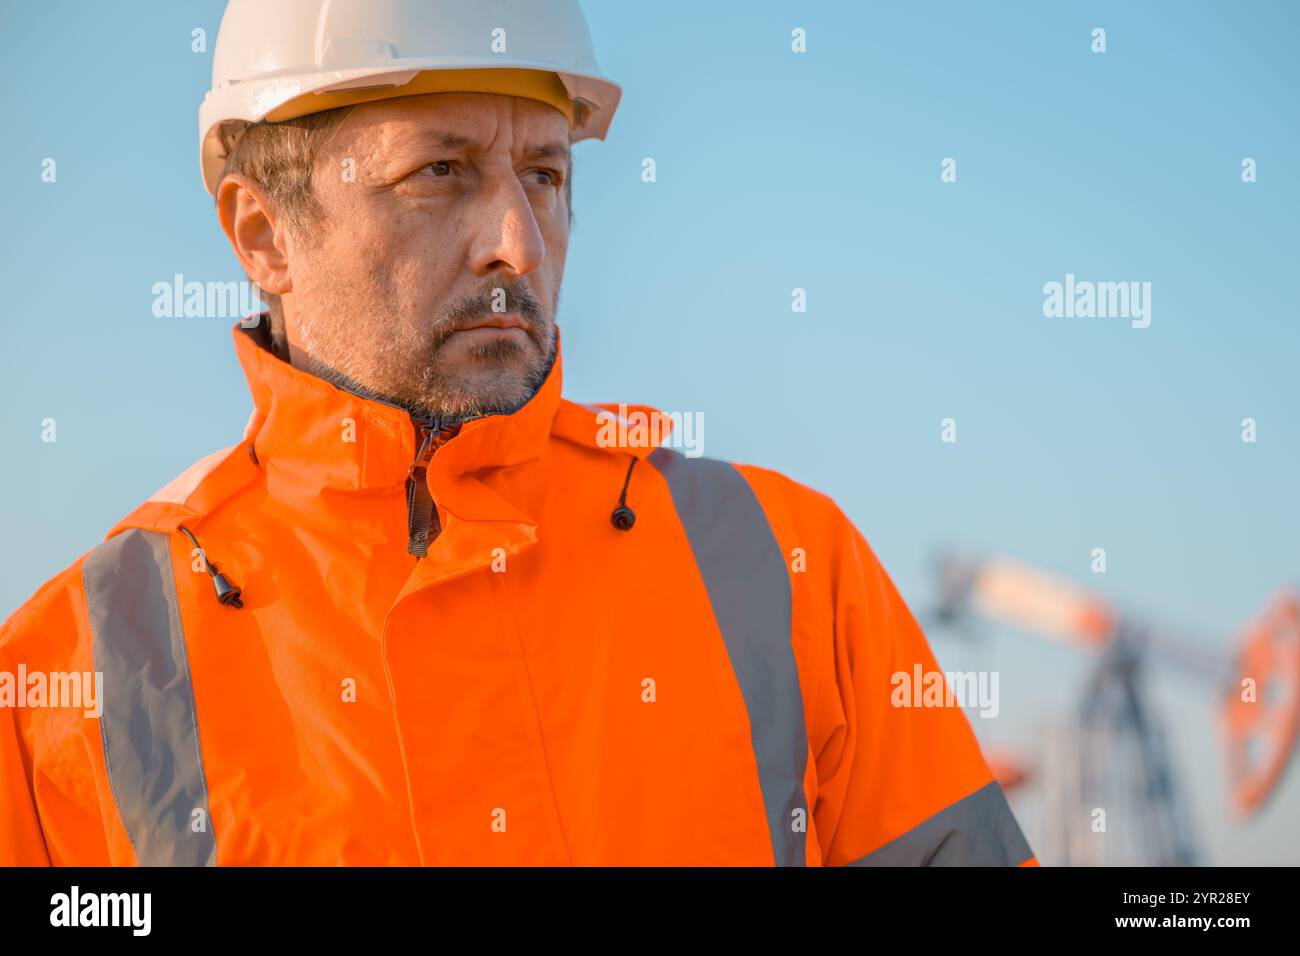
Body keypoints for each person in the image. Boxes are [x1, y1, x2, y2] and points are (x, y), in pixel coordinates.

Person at [0, 0, 1036, 867]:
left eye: (543, 174)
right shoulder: (70, 673)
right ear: (263, 234)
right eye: (438, 173)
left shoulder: (790, 567)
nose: (517, 244)